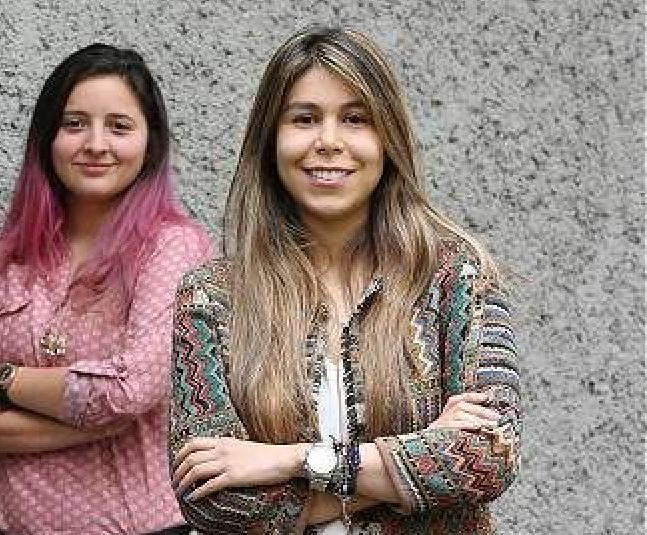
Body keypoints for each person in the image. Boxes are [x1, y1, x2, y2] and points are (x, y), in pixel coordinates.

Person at [168, 27, 520, 534]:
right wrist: (415, 470)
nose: (328, 142)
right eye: (304, 119)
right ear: (270, 140)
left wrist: (291, 460)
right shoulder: (213, 297)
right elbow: (212, 500)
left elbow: (488, 455)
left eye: (355, 119)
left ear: (387, 139)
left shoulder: (455, 278)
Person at [0, 44, 213, 535]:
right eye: (74, 124)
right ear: (47, 138)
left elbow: (132, 390)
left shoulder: (173, 248)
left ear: (150, 143)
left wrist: (6, 380)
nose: (96, 144)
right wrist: (96, 417)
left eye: (119, 126)